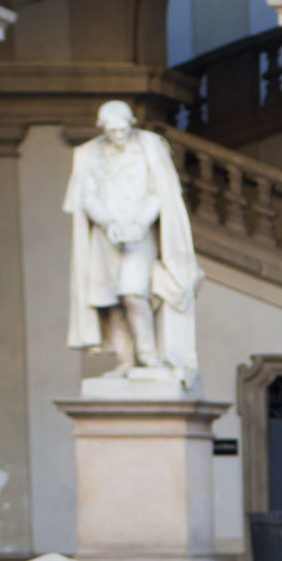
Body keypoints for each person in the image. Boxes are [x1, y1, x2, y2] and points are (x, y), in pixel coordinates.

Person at [65, 99, 202, 390]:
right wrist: (109, 223)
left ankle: (148, 355)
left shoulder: (149, 148)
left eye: (123, 128)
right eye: (113, 130)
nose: (119, 135)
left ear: (131, 125)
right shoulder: (91, 154)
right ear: (104, 129)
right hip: (106, 236)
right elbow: (86, 196)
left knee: (133, 292)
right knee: (110, 301)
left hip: (138, 235)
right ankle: (126, 362)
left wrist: (139, 224)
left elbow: (159, 191)